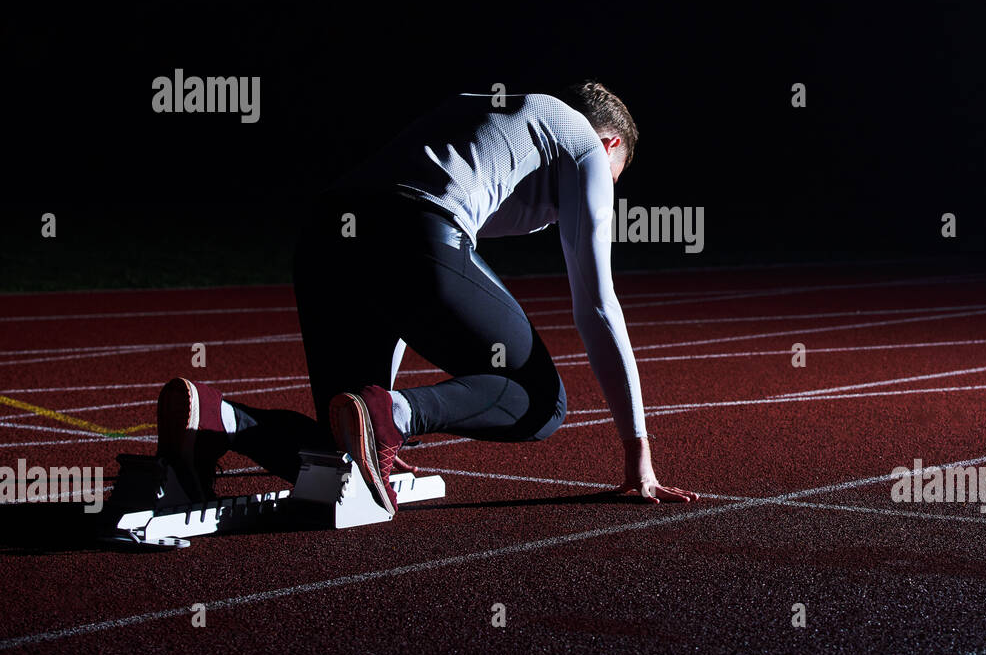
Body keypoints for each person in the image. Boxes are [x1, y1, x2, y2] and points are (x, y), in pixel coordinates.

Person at [154, 82, 699, 515]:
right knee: (542, 402)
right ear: (610, 147)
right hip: (412, 229)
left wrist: (371, 415)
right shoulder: (583, 142)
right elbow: (597, 307)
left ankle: (217, 418)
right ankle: (391, 415)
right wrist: (638, 456)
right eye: (614, 177)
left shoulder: (488, 111)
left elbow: (396, 298)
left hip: (324, 240)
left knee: (339, 461)